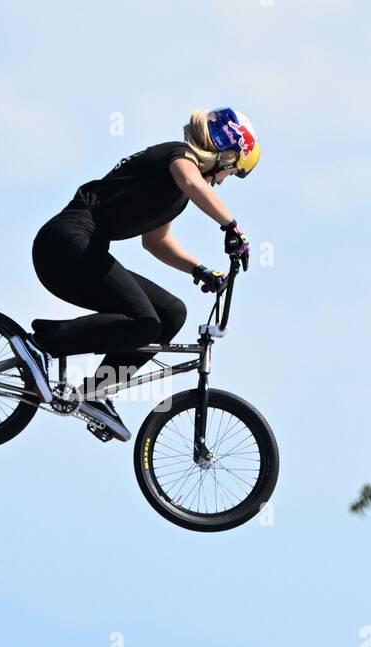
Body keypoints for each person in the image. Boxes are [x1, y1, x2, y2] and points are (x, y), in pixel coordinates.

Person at [21, 107, 259, 442]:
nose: (223, 181)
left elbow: (156, 241)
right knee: (145, 321)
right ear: (224, 154)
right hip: (66, 244)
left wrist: (199, 270)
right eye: (231, 172)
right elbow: (192, 181)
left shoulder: (176, 196)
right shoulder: (178, 157)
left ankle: (95, 393)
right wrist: (231, 226)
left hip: (84, 252)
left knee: (170, 313)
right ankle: (42, 344)